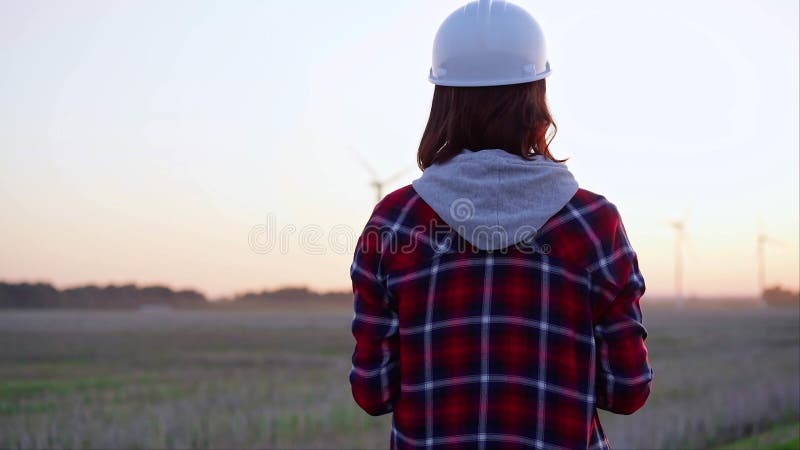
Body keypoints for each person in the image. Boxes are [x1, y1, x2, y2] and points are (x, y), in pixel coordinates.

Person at [348, 1, 653, 449]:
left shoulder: (393, 223)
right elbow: (627, 390)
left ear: (441, 98)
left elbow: (373, 391)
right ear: (537, 97)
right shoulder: (593, 224)